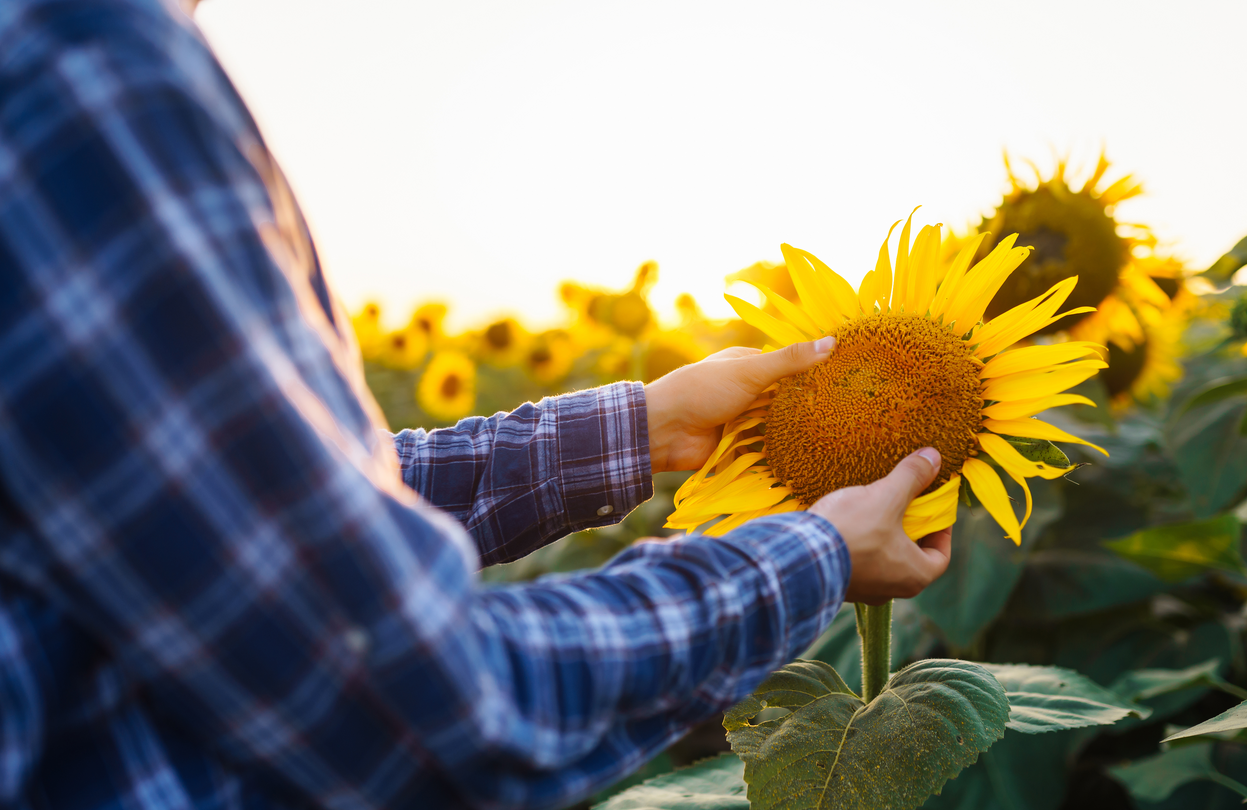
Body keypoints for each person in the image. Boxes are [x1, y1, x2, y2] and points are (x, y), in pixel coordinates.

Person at [0, 0, 955, 807]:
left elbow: (230, 518)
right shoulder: (82, 73)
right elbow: (416, 706)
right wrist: (812, 560)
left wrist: (640, 425)